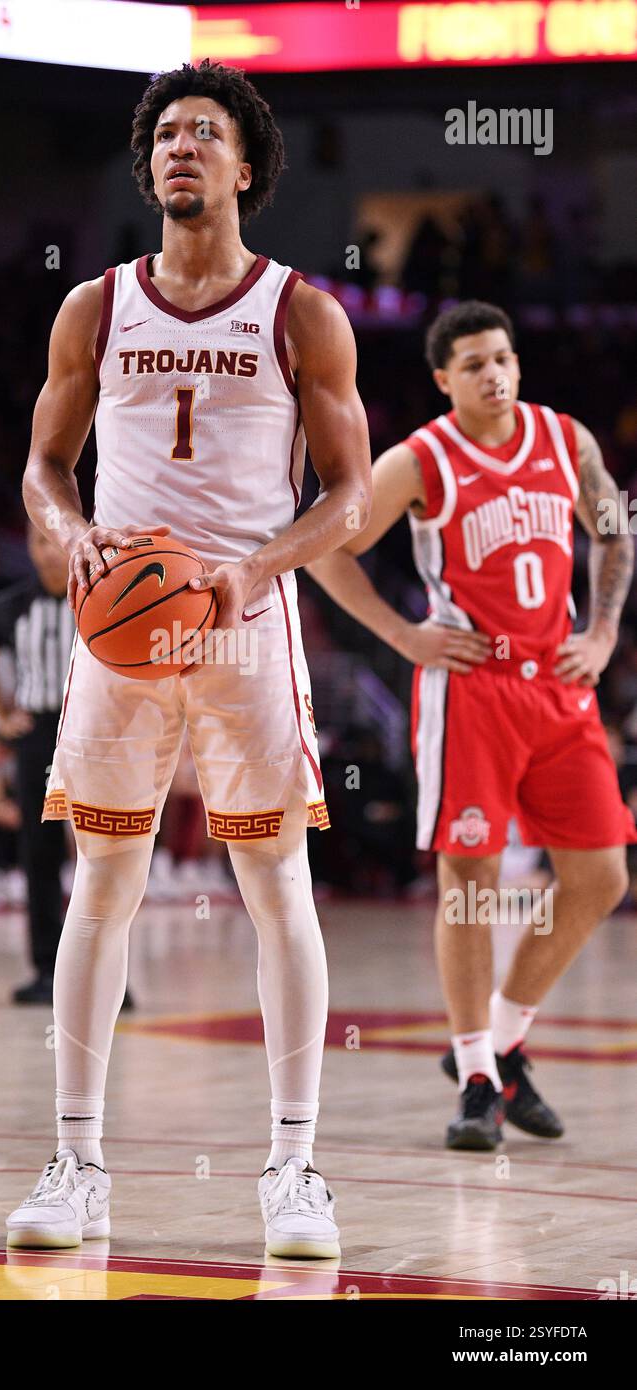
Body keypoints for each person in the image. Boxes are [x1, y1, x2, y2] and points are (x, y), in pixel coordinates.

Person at [6, 59, 371, 1258]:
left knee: (274, 887)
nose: (181, 147)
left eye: (205, 132)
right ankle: (74, 1162)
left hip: (241, 624)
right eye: (165, 133)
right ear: (147, 163)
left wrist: (254, 568)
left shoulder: (300, 311)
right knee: (99, 884)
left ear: (244, 167)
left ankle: (293, 1169)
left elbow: (351, 495)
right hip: (120, 628)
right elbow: (44, 472)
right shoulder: (95, 307)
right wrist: (70, 542)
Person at [308, 299, 635, 1150]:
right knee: (471, 886)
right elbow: (327, 548)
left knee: (600, 876)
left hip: (561, 686)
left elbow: (614, 528)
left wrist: (601, 632)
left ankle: (505, 1038)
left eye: (504, 357)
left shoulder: (568, 440)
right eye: (475, 363)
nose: (495, 373)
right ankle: (478, 1075)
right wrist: (401, 633)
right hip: (472, 689)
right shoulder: (420, 459)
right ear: (444, 379)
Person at [0, 524, 104, 1004]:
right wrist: (3, 715)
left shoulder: (99, 595)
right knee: (39, 851)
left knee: (104, 853)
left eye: (53, 541)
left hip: (93, 731)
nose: (46, 553)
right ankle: (47, 969)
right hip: (37, 736)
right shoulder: (11, 605)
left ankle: (106, 971)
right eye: (36, 543)